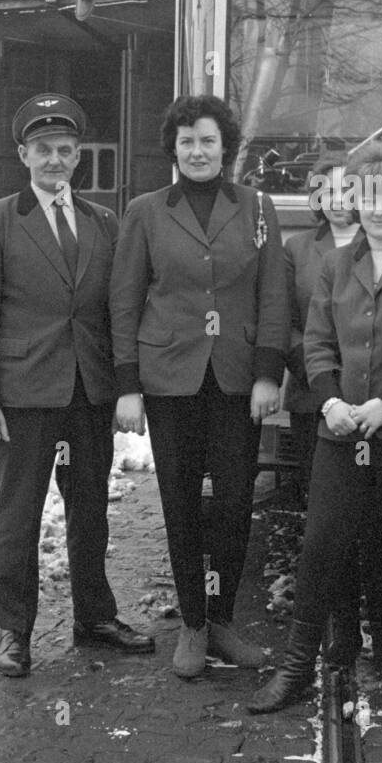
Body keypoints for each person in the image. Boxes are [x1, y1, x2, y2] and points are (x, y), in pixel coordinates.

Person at [249, 144, 382, 721]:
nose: (379, 209)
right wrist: (332, 402)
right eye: (369, 197)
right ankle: (296, 667)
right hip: (342, 429)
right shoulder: (336, 265)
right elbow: (317, 340)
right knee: (320, 546)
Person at [0, 93, 154, 677]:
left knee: (91, 511)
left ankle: (94, 617)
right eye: (44, 150)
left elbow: (118, 309)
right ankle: (15, 630)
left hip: (87, 395)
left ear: (77, 156)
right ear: (23, 154)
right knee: (20, 514)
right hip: (23, 399)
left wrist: (123, 385)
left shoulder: (103, 221)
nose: (55, 160)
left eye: (66, 150)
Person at [111, 95, 288, 678]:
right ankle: (192, 622)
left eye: (207, 140)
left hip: (236, 381)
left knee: (235, 502)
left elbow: (273, 294)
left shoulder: (258, 207)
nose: (197, 151)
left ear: (225, 147)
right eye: (187, 141)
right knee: (180, 501)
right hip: (169, 382)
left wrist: (267, 373)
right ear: (174, 149)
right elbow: (125, 299)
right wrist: (128, 385)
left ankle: (224, 621)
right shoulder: (145, 211)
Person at [282, 153, 382, 673]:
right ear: (316, 198)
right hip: (319, 407)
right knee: (327, 524)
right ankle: (340, 624)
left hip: (380, 411)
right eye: (328, 191)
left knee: (377, 519)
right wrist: (325, 388)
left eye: (350, 190)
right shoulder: (298, 250)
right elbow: (285, 327)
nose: (341, 201)